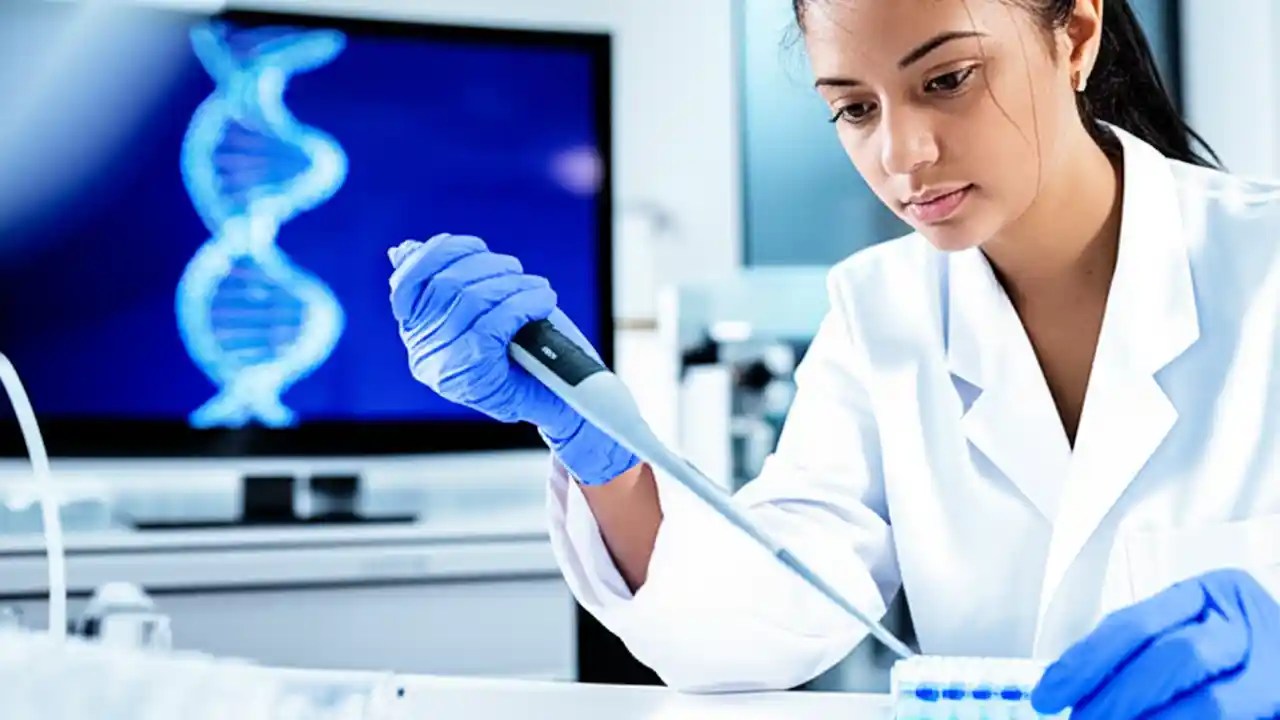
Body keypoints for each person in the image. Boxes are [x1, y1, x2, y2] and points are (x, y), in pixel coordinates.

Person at [387, 0, 1280, 716]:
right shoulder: (879, 309)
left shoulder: (1266, 263)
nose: (901, 155)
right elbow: (764, 616)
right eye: (854, 107)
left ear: (1075, 36)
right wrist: (599, 446)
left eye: (950, 79)